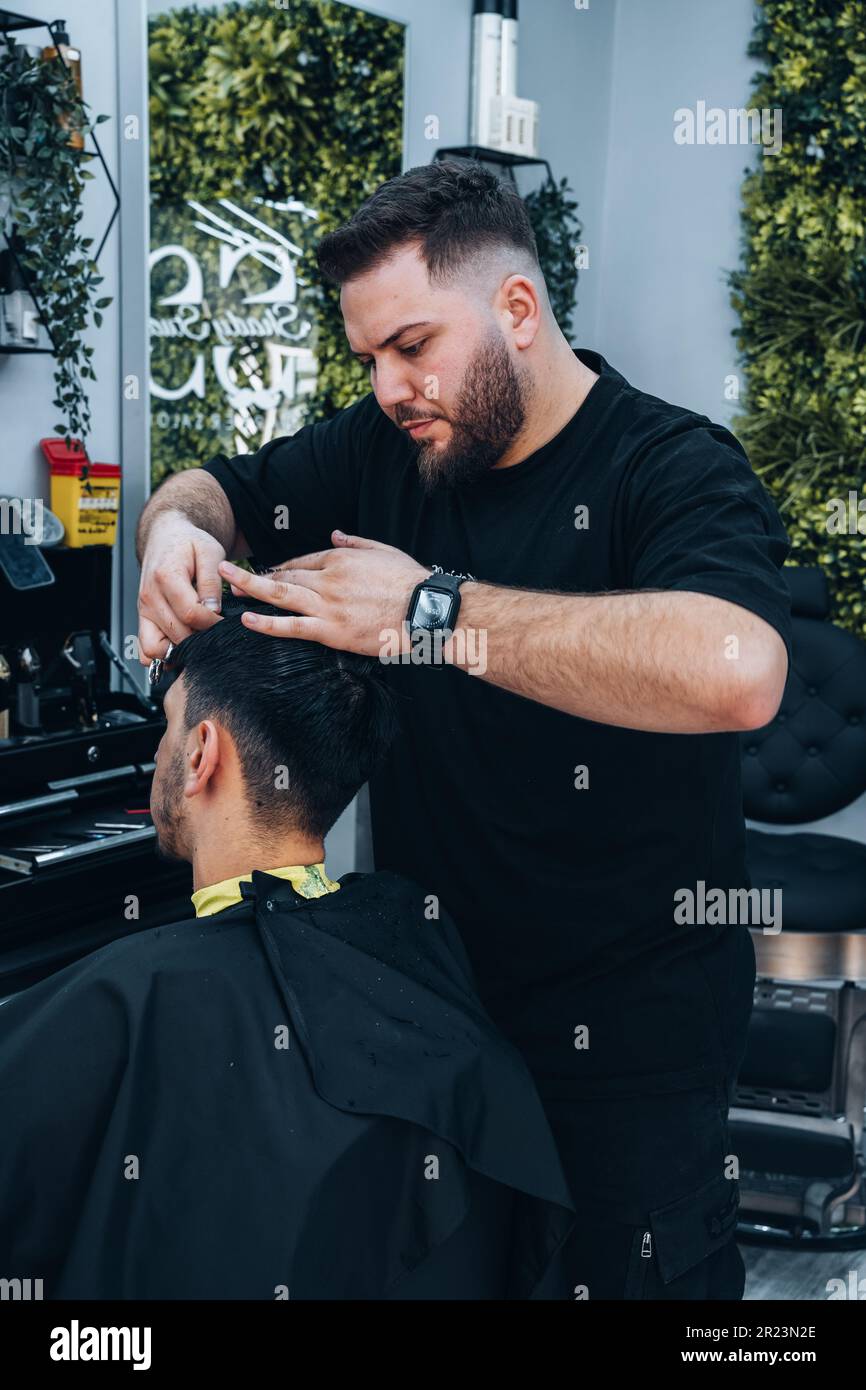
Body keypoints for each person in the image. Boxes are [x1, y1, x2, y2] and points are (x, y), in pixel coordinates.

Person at [135, 160, 793, 1299]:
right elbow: (209, 486)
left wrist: (429, 615)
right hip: (439, 1010)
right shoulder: (388, 448)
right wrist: (171, 534)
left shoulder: (668, 468)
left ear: (517, 311)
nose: (390, 386)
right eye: (369, 360)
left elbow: (736, 670)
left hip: (628, 1043)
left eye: (412, 345)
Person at [0, 598, 574, 1300]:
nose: (158, 752)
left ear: (202, 753)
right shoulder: (416, 946)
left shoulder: (126, 998)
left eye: (170, 724)